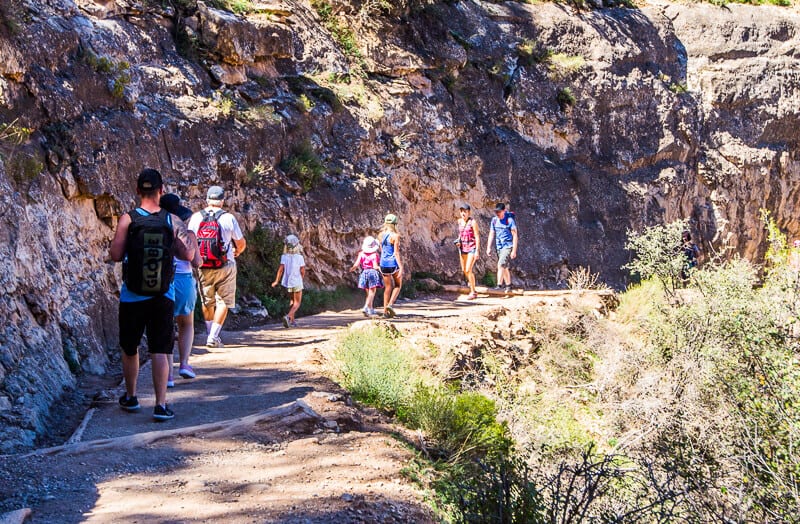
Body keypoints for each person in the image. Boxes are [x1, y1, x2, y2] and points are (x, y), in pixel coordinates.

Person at [109, 168, 194, 421]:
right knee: (159, 348)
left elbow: (115, 254)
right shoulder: (172, 220)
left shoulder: (128, 219)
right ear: (161, 190)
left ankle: (131, 396)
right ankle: (160, 405)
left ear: (137, 190)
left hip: (132, 295)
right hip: (162, 295)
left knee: (130, 346)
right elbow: (188, 254)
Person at [187, 186, 247, 348]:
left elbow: (189, 241)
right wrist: (237, 252)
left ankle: (209, 333)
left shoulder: (195, 217)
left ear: (207, 200)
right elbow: (241, 243)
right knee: (223, 301)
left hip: (203, 264)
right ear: (222, 201)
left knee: (207, 301)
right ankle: (213, 337)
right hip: (225, 264)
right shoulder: (229, 218)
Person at [159, 193, 202, 386]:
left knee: (165, 327)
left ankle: (167, 376)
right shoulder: (187, 232)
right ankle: (184, 364)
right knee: (186, 324)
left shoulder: (156, 229)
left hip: (163, 279)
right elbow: (197, 262)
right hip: (184, 279)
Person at [272, 234, 306, 328]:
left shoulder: (284, 256)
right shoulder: (299, 257)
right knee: (297, 303)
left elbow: (280, 270)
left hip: (288, 282)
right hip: (297, 282)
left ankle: (292, 321)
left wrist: (276, 281)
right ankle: (287, 317)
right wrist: (301, 278)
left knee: (292, 300)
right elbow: (302, 271)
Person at [485, 202, 518, 293]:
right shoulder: (494, 220)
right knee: (505, 266)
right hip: (499, 246)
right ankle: (508, 285)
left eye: (499, 212)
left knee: (500, 264)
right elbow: (491, 234)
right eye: (496, 212)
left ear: (504, 211)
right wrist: (488, 247)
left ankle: (499, 285)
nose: (497, 214)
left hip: (508, 246)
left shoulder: (510, 221)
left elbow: (515, 236)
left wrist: (513, 251)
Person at [350, 236, 383, 317]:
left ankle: (370, 309)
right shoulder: (374, 255)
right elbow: (375, 266)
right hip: (372, 273)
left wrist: (352, 269)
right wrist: (381, 268)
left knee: (368, 293)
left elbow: (356, 264)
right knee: (372, 292)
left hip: (364, 273)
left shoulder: (361, 254)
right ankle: (365, 307)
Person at [378, 213, 403, 318]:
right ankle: (390, 305)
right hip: (392, 263)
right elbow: (396, 253)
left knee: (387, 287)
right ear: (395, 224)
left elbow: (381, 249)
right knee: (398, 285)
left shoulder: (381, 235)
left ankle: (385, 312)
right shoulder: (395, 236)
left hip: (383, 263)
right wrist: (401, 266)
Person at [456, 204, 480, 300]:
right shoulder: (459, 221)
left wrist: (477, 250)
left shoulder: (473, 222)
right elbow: (460, 234)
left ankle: (473, 292)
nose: (463, 213)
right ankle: (473, 287)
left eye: (465, 211)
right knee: (464, 270)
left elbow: (477, 236)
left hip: (471, 248)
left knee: (468, 269)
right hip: (463, 248)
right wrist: (458, 241)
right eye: (461, 211)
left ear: (468, 212)